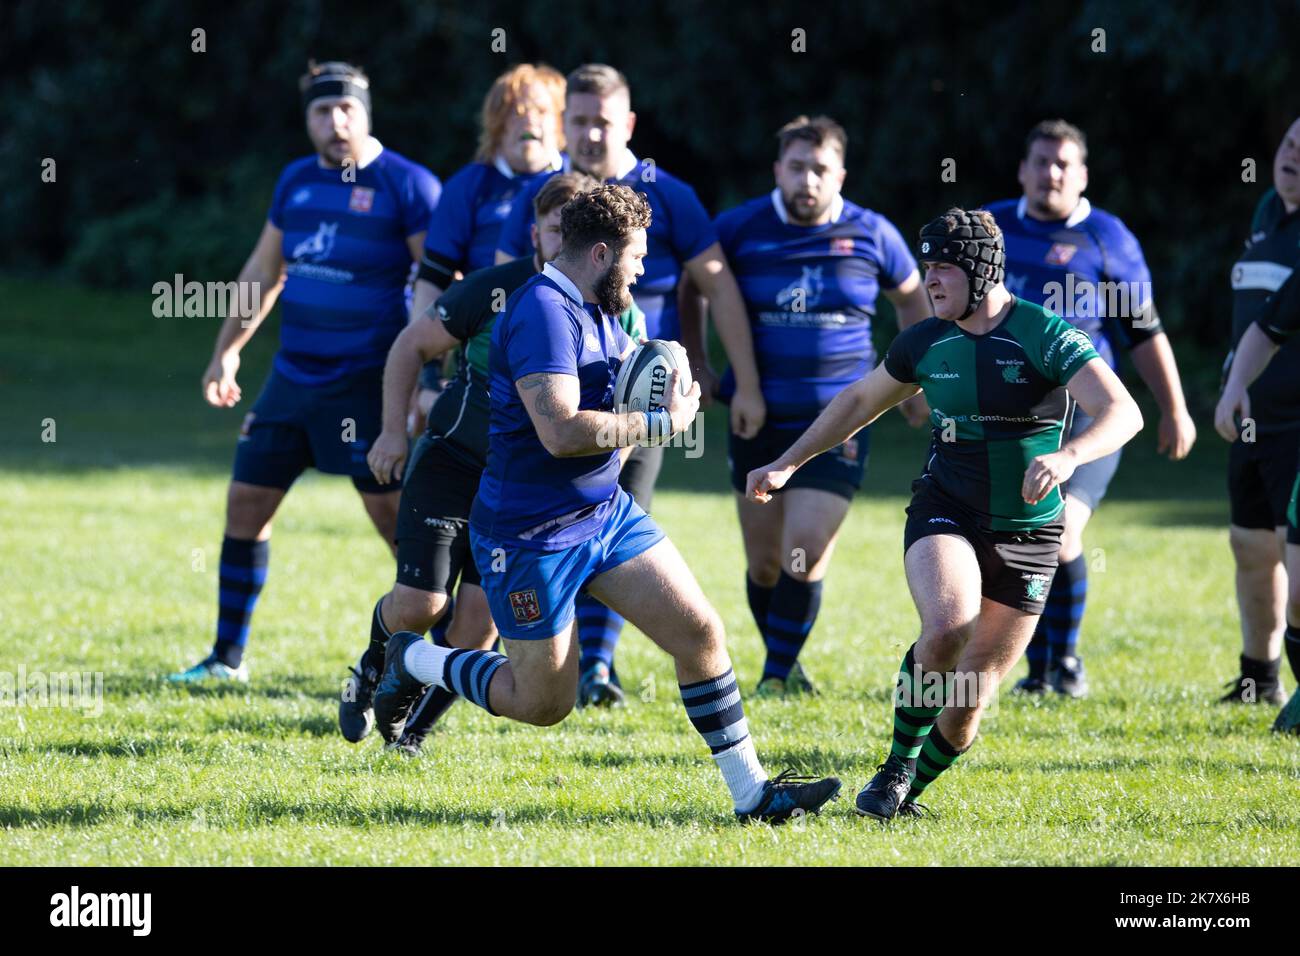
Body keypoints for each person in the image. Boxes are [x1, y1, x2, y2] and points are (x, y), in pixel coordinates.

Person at [372, 185, 841, 822]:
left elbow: (623, 389)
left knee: (700, 633)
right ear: (600, 253)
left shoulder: (602, 308)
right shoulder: (542, 312)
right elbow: (561, 430)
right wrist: (655, 422)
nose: (645, 270)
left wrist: (665, 370)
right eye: (639, 257)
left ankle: (753, 794)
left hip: (604, 515)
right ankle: (415, 658)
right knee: (544, 703)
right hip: (529, 536)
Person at [747, 209, 1142, 819]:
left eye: (942, 269)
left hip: (1031, 535)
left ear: (982, 272)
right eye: (925, 267)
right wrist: (789, 463)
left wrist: (1070, 457)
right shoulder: (925, 341)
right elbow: (858, 401)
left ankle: (906, 794)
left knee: (965, 707)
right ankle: (894, 767)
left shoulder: (1044, 333)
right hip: (947, 510)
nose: (928, 281)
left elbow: (1122, 411)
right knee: (948, 626)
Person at [339, 172, 645, 753]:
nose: (560, 244)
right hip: (454, 464)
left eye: (568, 231)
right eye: (553, 231)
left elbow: (625, 409)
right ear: (538, 232)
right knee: (420, 605)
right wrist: (391, 431)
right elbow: (411, 345)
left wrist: (605, 474)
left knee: (476, 627)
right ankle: (368, 673)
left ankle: (406, 740)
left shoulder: (617, 308)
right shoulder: (499, 290)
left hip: (520, 493)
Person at [495, 63, 764, 707]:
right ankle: (431, 660)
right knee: (540, 702)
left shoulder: (664, 194)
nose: (589, 133)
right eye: (578, 120)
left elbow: (715, 283)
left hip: (636, 402)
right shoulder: (546, 233)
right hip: (541, 479)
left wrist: (731, 379)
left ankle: (604, 669)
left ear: (629, 125)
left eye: (602, 121)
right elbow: (511, 294)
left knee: (697, 627)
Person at [171, 60, 440, 682]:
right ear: (308, 120)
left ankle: (437, 656)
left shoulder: (410, 185)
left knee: (398, 528)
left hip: (368, 385)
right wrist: (226, 351)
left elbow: (439, 289)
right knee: (246, 503)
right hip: (292, 380)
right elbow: (263, 273)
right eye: (323, 110)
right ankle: (225, 659)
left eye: (347, 108)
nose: (336, 121)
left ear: (366, 113)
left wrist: (426, 382)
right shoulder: (295, 182)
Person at [680, 115, 929, 696]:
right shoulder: (740, 227)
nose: (808, 180)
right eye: (797, 167)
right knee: (766, 562)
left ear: (840, 173)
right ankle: (785, 664)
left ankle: (774, 675)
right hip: (757, 414)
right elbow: (693, 288)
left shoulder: (873, 233)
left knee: (804, 552)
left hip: (841, 419)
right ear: (778, 170)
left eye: (821, 169)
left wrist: (918, 382)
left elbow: (915, 301)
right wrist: (699, 361)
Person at [983, 119, 1196, 697]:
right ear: (1022, 169)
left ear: (1081, 175)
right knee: (1017, 536)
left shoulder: (1107, 238)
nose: (1050, 172)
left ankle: (1066, 663)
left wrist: (1174, 408)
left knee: (1060, 528)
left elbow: (1144, 333)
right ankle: (1036, 670)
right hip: (1010, 416)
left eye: (1063, 164)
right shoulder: (990, 228)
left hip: (1085, 414)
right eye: (1041, 161)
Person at [408, 63, 566, 431]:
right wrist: (427, 373)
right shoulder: (468, 186)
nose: (530, 122)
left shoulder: (578, 181)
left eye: (541, 111)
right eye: (516, 111)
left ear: (560, 122)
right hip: (486, 343)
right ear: (496, 121)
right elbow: (433, 279)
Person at [1216, 116, 1300, 707]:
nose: (1292, 156)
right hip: (1251, 416)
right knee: (1250, 546)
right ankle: (1258, 678)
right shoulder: (1268, 212)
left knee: (1295, 557)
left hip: (1296, 423)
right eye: (1290, 145)